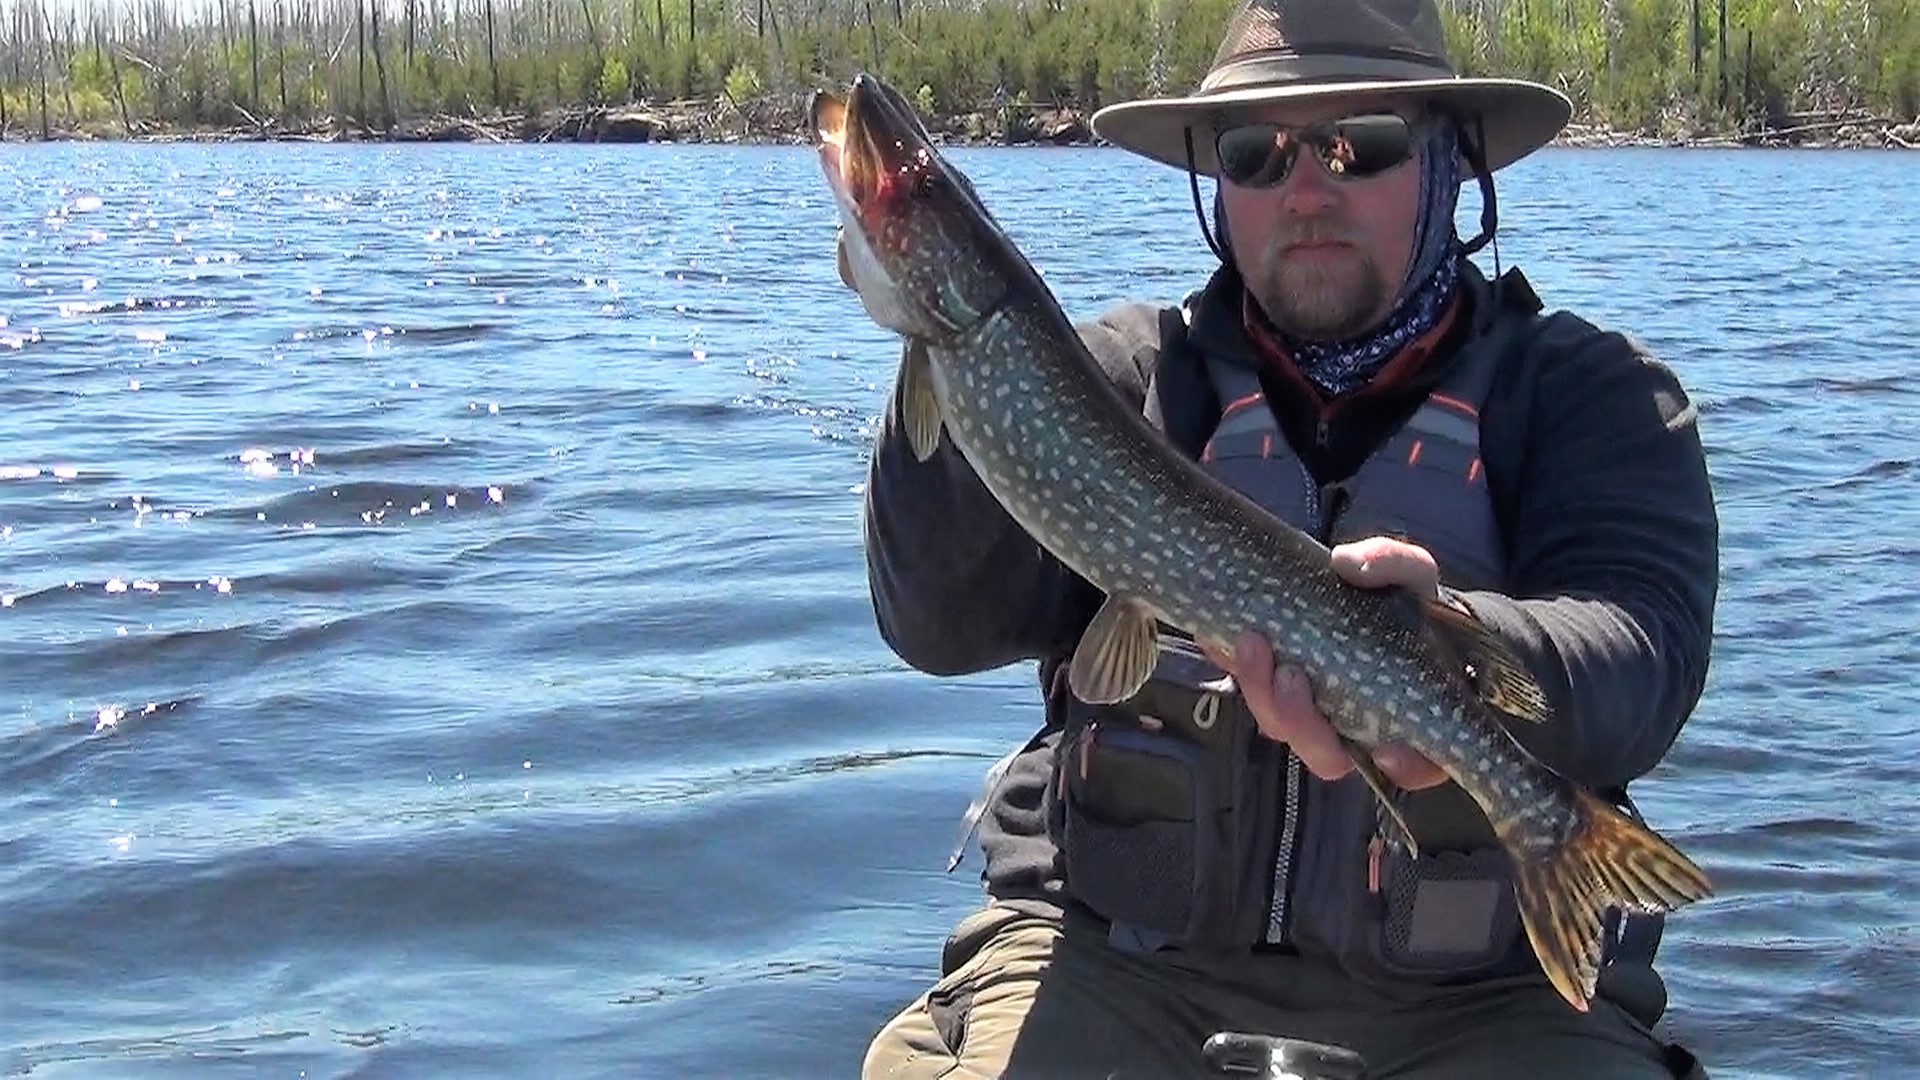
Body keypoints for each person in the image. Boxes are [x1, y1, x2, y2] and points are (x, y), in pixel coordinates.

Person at [846, 1, 1720, 1077]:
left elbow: (1647, 651)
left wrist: (1457, 641)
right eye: (1257, 153)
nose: (1305, 191)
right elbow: (936, 623)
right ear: (1219, 187)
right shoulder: (1121, 381)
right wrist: (930, 360)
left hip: (1484, 1003)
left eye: (1361, 145)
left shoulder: (1593, 397)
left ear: (1448, 159)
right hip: (1113, 962)